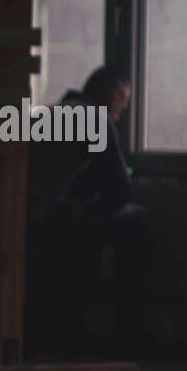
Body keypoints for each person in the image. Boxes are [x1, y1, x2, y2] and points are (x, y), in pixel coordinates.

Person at [28, 67, 160, 355]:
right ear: (113, 99)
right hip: (50, 221)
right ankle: (128, 334)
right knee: (140, 221)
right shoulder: (94, 117)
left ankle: (65, 326)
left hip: (19, 220)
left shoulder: (50, 113)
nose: (118, 118)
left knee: (84, 225)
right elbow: (119, 190)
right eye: (121, 110)